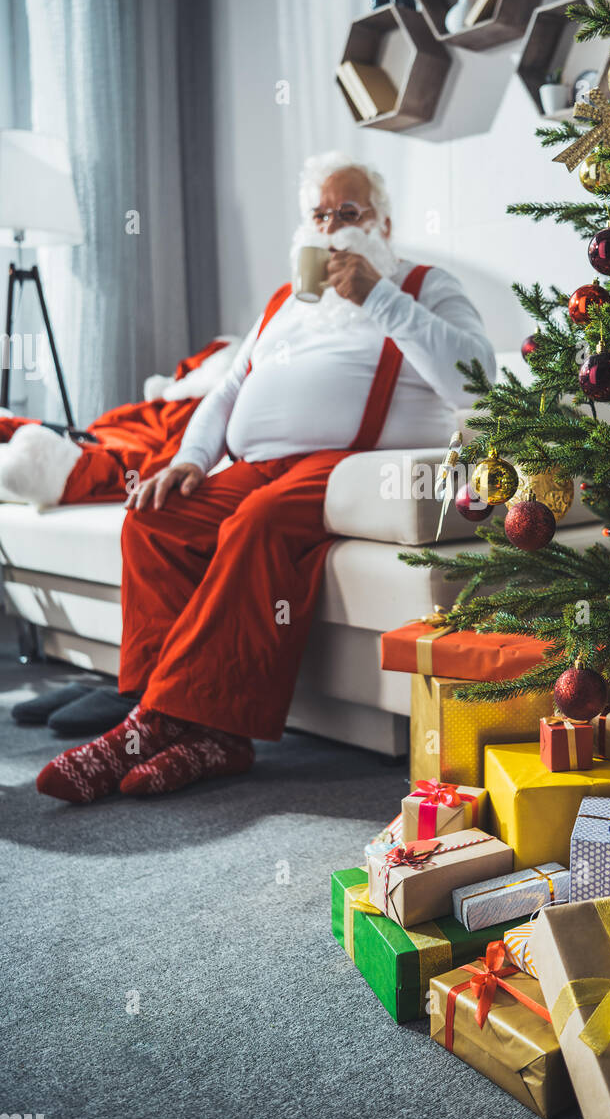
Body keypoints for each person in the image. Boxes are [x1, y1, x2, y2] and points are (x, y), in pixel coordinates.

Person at [37, 151, 496, 802]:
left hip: (350, 469)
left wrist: (378, 296)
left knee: (257, 523)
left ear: (382, 224)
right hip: (254, 465)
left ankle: (163, 723)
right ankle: (191, 727)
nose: (331, 225)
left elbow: (476, 378)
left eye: (348, 211)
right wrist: (190, 460)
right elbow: (225, 391)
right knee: (153, 517)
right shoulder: (287, 300)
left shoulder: (422, 284)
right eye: (319, 213)